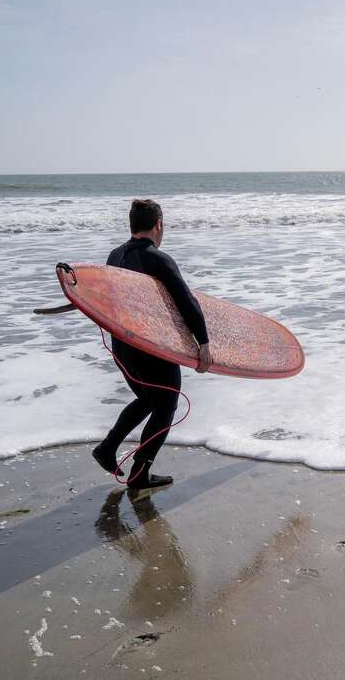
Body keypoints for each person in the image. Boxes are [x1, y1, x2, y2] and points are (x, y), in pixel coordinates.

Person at [91, 199, 212, 490]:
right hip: (150, 348)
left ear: (131, 224)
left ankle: (107, 448)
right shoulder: (158, 259)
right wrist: (203, 342)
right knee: (166, 404)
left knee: (148, 400)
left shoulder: (114, 256)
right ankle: (139, 472)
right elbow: (186, 302)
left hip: (122, 346)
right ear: (159, 225)